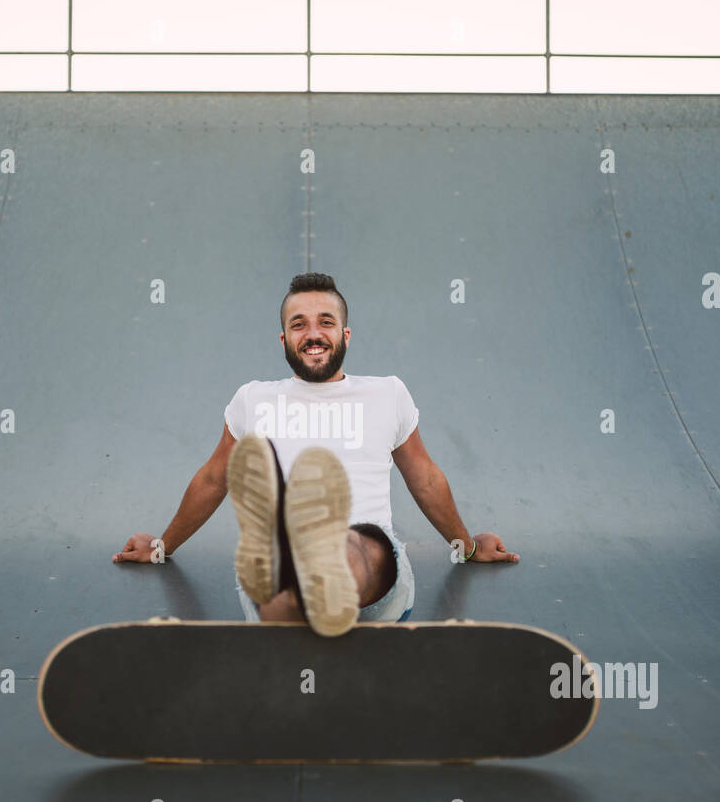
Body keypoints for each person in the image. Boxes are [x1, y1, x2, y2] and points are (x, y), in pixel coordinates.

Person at [112, 272, 518, 635]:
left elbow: (424, 478)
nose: (313, 333)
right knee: (283, 556)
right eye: (298, 324)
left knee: (349, 544)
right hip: (278, 571)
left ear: (345, 335)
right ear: (283, 339)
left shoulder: (387, 393)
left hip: (375, 576)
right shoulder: (254, 399)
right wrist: (162, 545)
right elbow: (214, 478)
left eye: (326, 322)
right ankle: (300, 582)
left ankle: (308, 578)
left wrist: (465, 546)